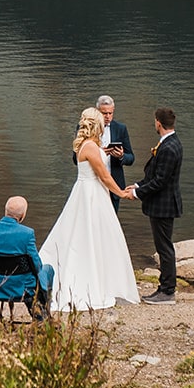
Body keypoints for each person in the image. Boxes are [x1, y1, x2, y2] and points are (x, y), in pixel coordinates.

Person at [40, 108, 140, 311]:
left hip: (89, 191)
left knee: (89, 233)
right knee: (90, 234)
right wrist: (121, 193)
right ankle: (92, 281)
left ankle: (101, 278)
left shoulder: (88, 145)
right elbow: (104, 175)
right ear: (97, 125)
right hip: (91, 194)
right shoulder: (91, 147)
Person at [125, 107, 182, 303]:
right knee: (163, 246)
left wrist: (136, 193)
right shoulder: (169, 143)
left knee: (164, 248)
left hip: (163, 206)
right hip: (162, 204)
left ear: (158, 122)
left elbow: (160, 181)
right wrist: (138, 185)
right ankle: (164, 287)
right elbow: (156, 175)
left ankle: (167, 291)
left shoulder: (169, 148)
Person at [0, 196, 55, 321]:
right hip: (22, 288)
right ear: (23, 215)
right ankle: (41, 312)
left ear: (5, 210)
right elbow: (37, 266)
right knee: (48, 270)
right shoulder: (27, 234)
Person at [96, 94, 134, 211]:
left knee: (112, 219)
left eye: (110, 113)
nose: (108, 116)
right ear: (97, 112)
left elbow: (131, 158)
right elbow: (76, 158)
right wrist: (98, 153)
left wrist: (121, 156)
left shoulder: (120, 128)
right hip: (94, 182)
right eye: (104, 113)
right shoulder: (87, 128)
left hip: (114, 183)